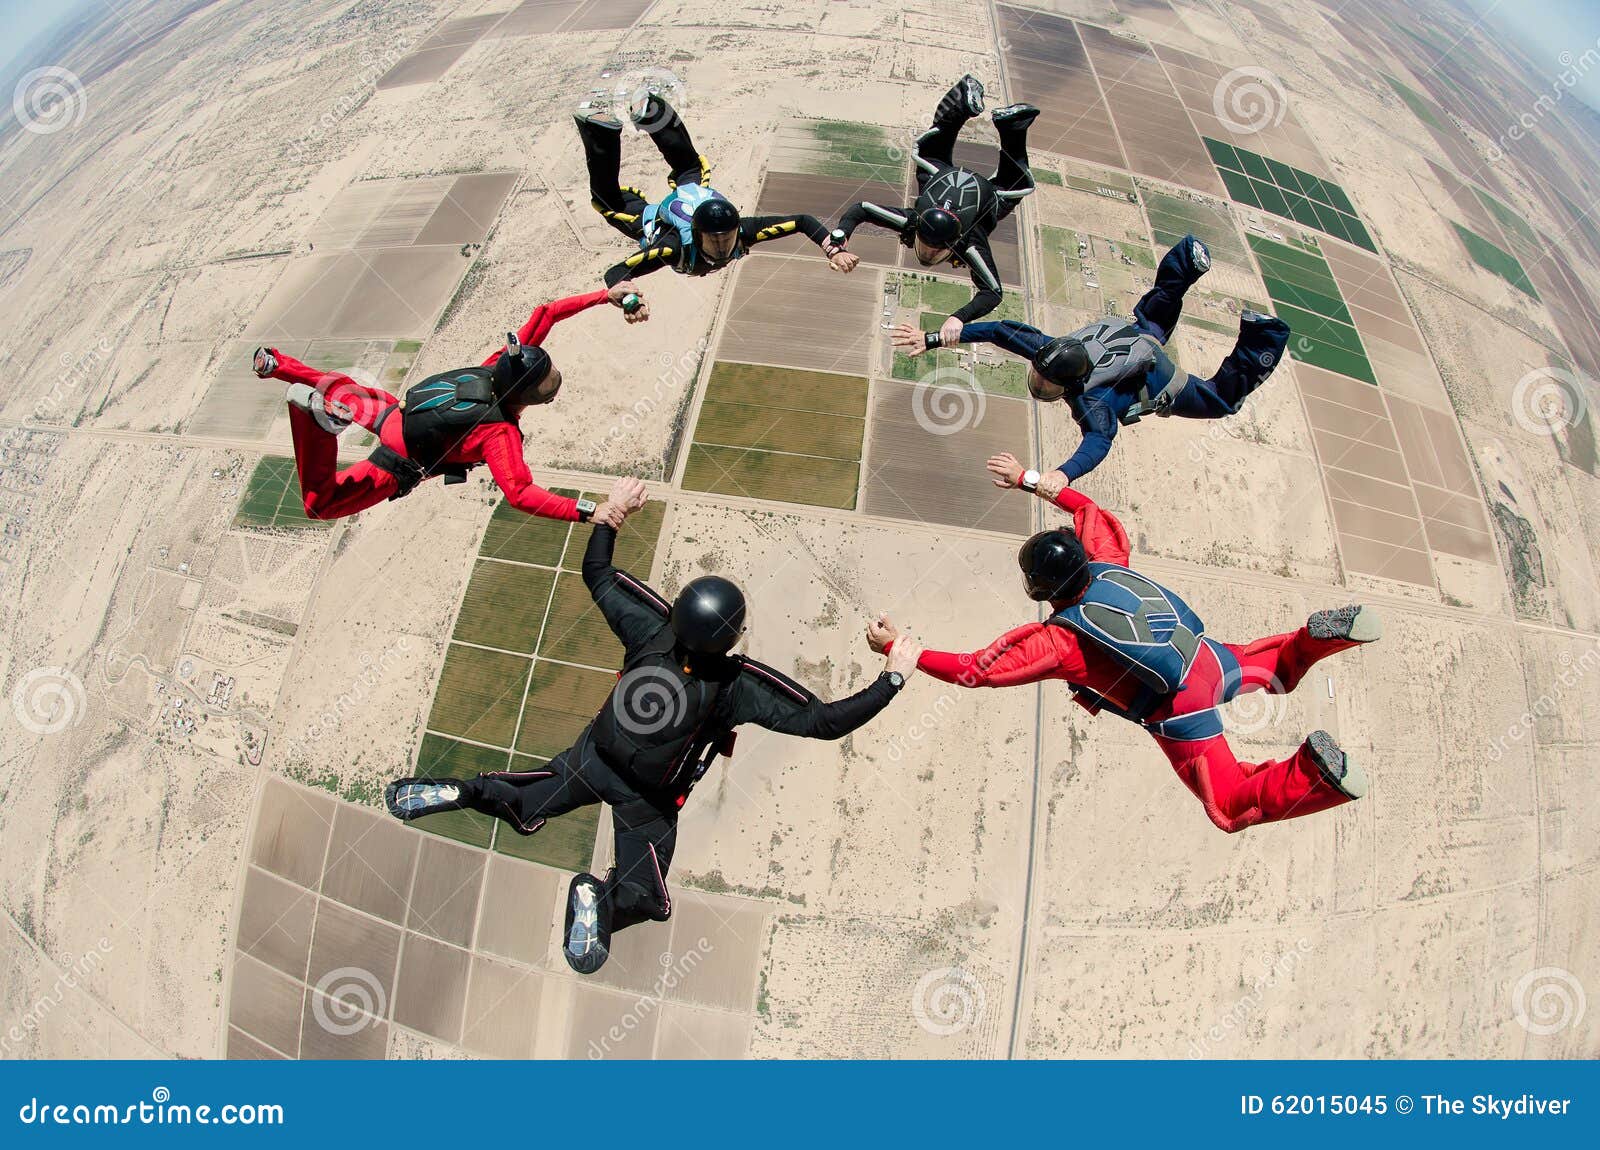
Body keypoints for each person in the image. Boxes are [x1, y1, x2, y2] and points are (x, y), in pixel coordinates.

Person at [386, 477, 924, 974]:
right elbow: (825, 722)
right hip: (647, 801)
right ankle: (600, 902)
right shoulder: (739, 685)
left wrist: (614, 512)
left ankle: (464, 791)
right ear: (731, 637)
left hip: (590, 758)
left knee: (527, 797)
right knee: (648, 897)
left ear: (680, 611)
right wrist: (894, 676)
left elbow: (596, 573)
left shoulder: (651, 628)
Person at [868, 454, 1379, 834]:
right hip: (1206, 656)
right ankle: (1311, 639)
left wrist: (904, 652)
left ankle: (1314, 776)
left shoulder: (1060, 641)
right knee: (1272, 663)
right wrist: (1028, 479)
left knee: (1226, 801)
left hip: (1179, 708)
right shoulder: (1108, 561)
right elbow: (1090, 510)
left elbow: (977, 669)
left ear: (1041, 590)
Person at [893, 234, 1291, 484]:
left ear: (1070, 384)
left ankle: (1266, 334)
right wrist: (932, 339)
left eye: (1047, 385)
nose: (1039, 383)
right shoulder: (1046, 350)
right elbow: (1000, 331)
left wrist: (1060, 475)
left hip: (1157, 376)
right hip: (1137, 334)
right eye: (1039, 376)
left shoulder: (1092, 400)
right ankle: (1187, 258)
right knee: (1157, 310)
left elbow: (1099, 442)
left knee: (1219, 401)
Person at [251, 283, 646, 522]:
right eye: (544, 387)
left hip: (394, 412)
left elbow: (546, 314)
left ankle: (275, 364)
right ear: (527, 397)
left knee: (341, 388)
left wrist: (603, 296)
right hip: (397, 461)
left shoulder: (498, 364)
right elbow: (520, 493)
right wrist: (588, 511)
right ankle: (316, 426)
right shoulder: (500, 433)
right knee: (321, 504)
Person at [575, 94, 859, 299]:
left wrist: (833, 249)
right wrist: (625, 294)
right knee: (609, 202)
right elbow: (619, 271)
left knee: (686, 166)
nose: (722, 246)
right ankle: (617, 125)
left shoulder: (743, 233)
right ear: (697, 235)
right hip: (656, 219)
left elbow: (801, 221)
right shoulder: (672, 247)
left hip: (694, 198)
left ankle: (647, 113)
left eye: (725, 237)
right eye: (715, 240)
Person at [834, 74, 1038, 343]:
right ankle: (997, 118)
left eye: (932, 249)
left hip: (973, 190)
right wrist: (840, 236)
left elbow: (993, 293)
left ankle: (1009, 124)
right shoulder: (916, 223)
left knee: (1013, 184)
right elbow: (862, 209)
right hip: (939, 175)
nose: (928, 252)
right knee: (932, 152)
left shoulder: (964, 241)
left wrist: (841, 236)